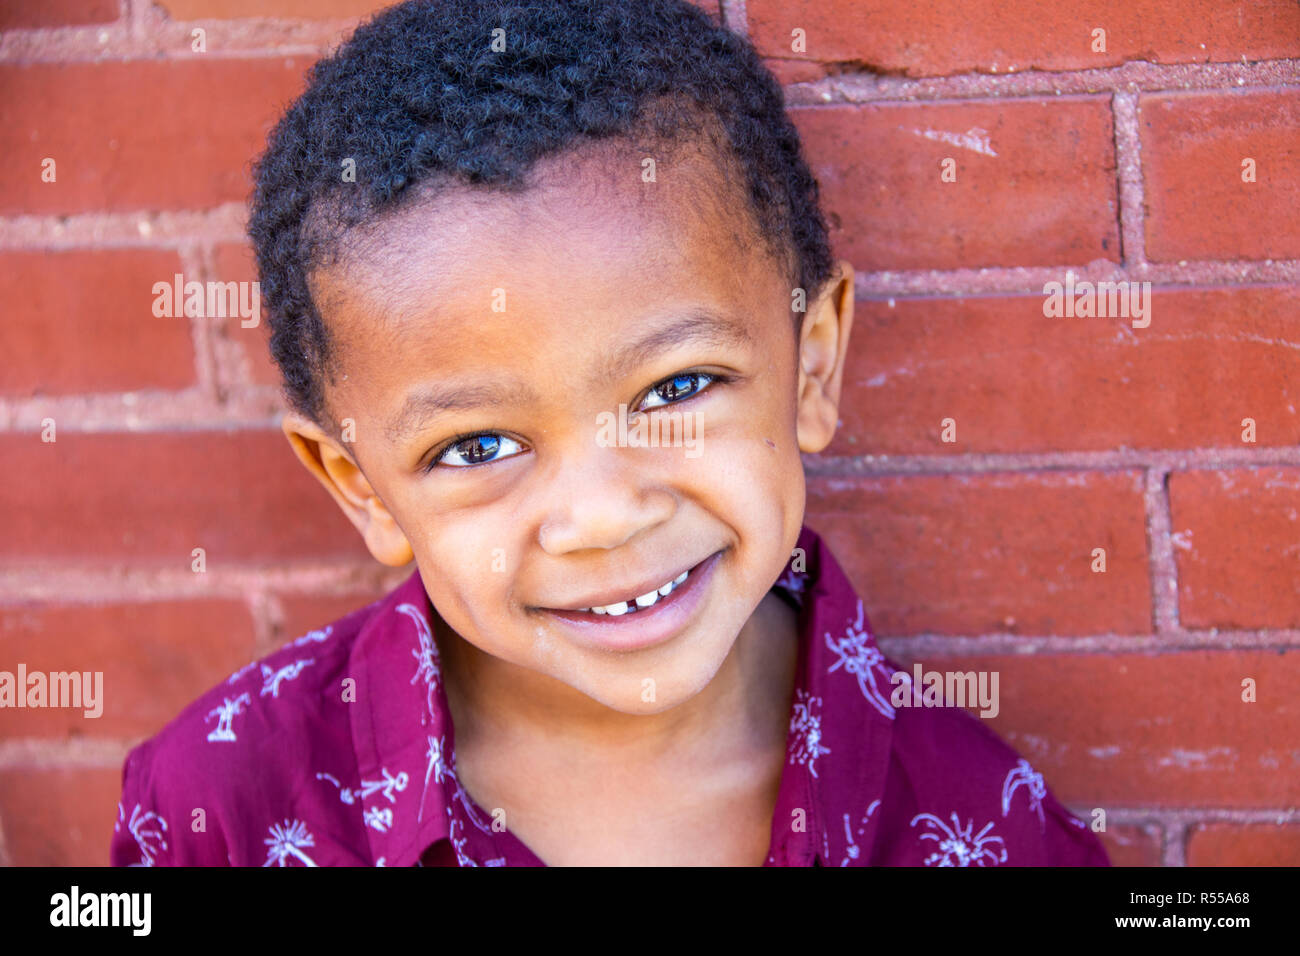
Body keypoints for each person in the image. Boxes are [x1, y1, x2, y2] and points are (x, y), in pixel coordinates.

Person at [110, 0, 1108, 867]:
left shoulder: (978, 823)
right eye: (477, 446)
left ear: (811, 365)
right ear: (362, 485)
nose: (599, 517)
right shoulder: (221, 805)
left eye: (675, 386)